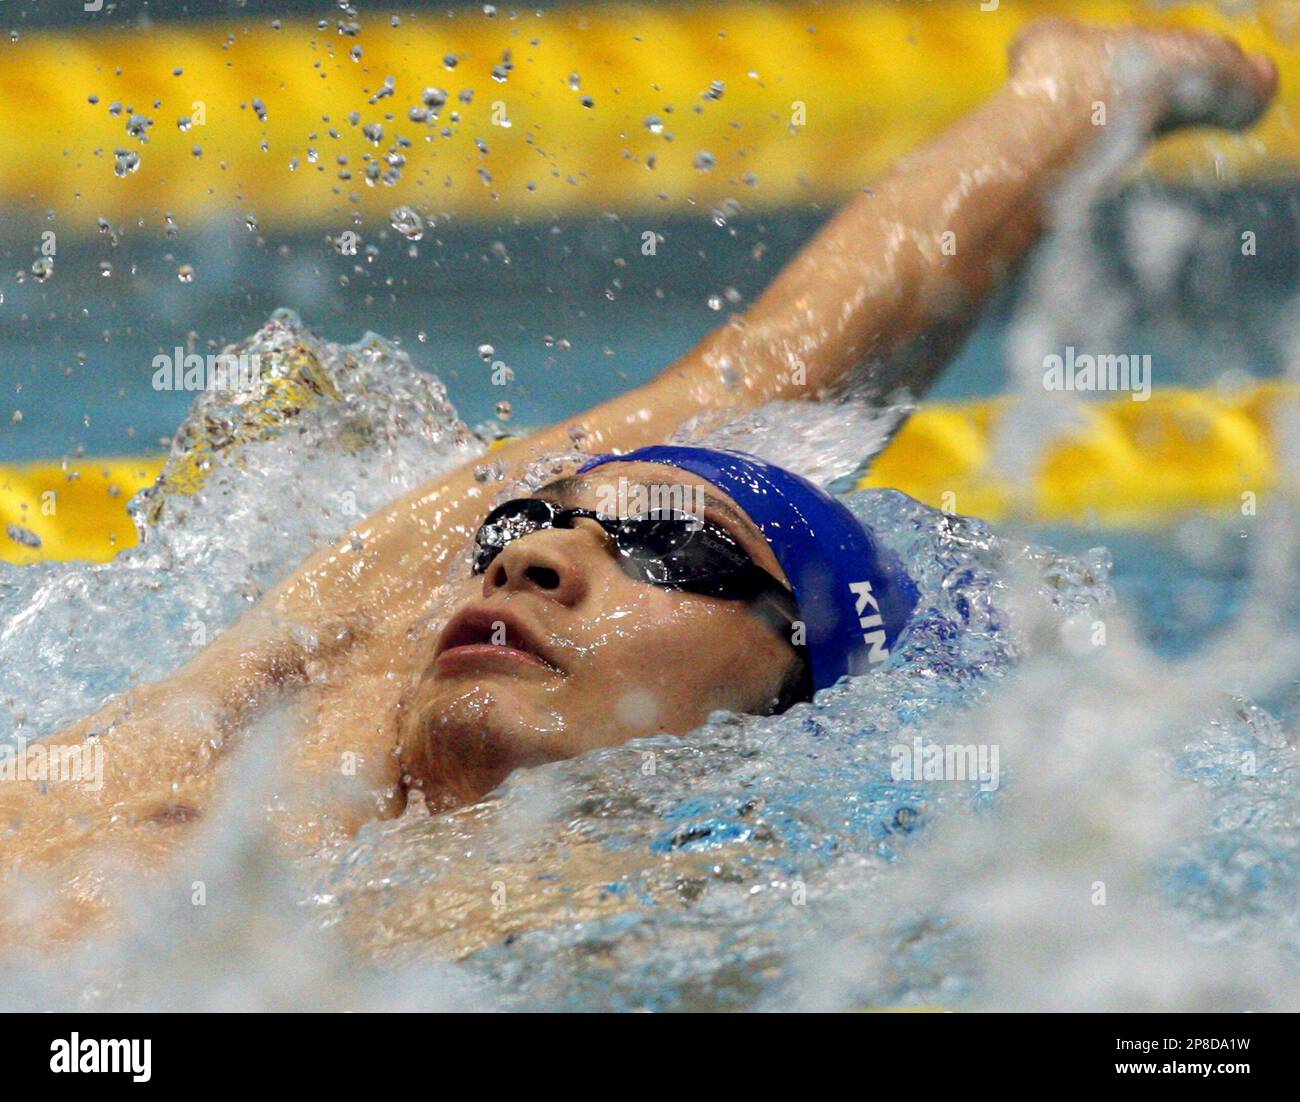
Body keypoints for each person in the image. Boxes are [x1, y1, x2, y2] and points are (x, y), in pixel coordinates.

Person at [0, 19, 1278, 942]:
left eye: (672, 550)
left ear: (792, 683)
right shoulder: (266, 708)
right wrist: (1078, 95)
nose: (528, 556)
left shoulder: (661, 911)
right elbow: (764, 380)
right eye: (521, 524)